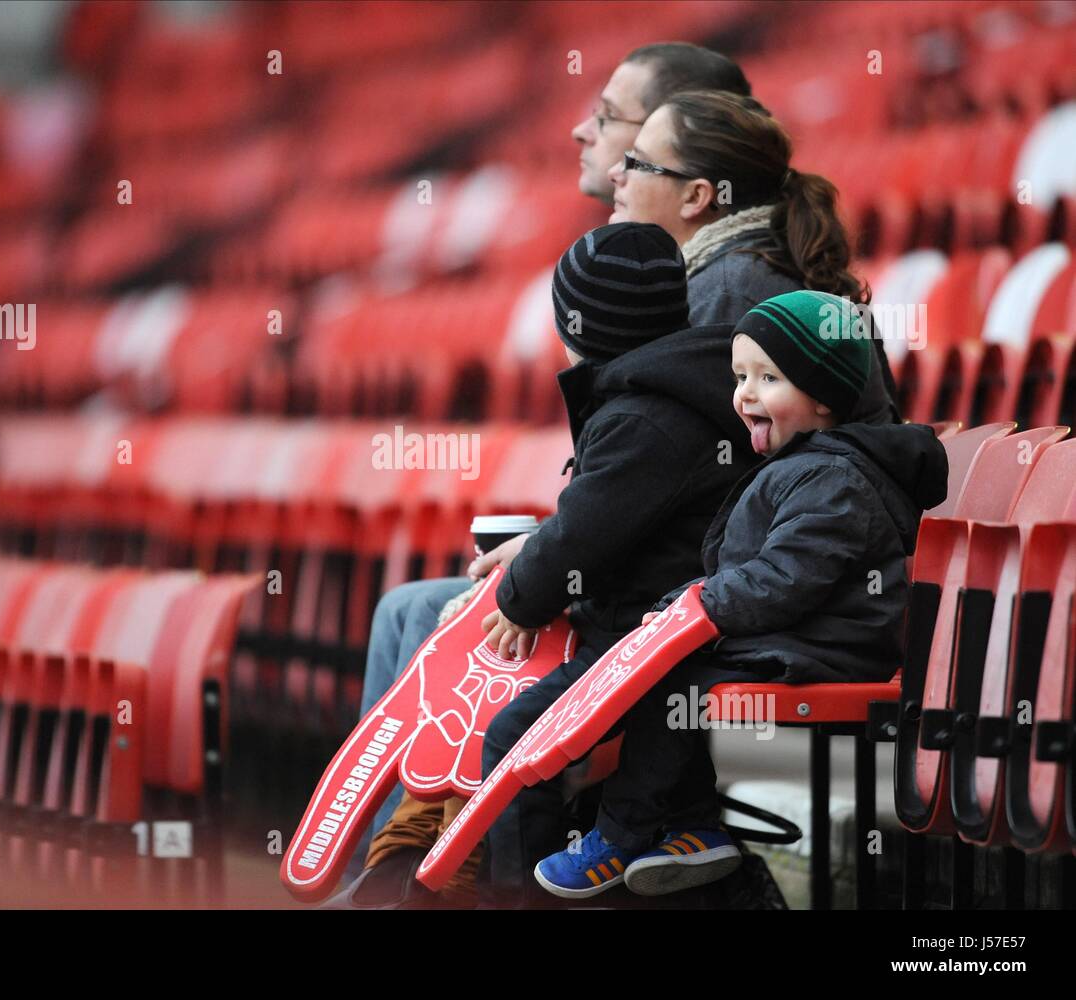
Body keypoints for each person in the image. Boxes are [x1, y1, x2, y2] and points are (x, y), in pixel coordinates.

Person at [340, 42, 757, 899]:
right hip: (650, 578)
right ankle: (407, 854)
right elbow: (637, 486)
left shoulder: (722, 300)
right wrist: (545, 552)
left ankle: (441, 869)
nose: (583, 131)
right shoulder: (675, 286)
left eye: (615, 127)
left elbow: (667, 489)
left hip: (682, 602)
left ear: (695, 186)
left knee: (434, 622)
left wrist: (542, 573)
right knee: (419, 610)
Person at [489, 289, 947, 904]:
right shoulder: (804, 462)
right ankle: (691, 828)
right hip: (803, 636)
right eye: (739, 377)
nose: (744, 394)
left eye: (768, 377)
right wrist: (686, 603)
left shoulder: (833, 478)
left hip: (834, 647)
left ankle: (624, 834)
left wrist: (697, 608)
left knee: (674, 684)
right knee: (672, 671)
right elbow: (752, 574)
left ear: (822, 397)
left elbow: (783, 579)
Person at [608, 88, 900, 418]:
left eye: (636, 161)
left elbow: (692, 452)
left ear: (696, 197)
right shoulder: (749, 266)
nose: (616, 173)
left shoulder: (729, 291)